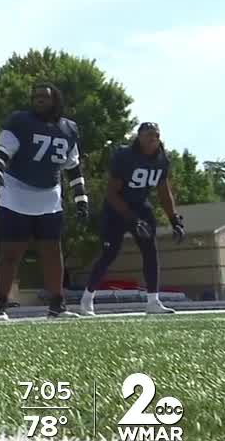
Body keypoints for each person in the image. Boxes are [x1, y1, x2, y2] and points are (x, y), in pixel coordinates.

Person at [0, 83, 88, 320]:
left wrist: (81, 198)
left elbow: (73, 168)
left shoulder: (69, 128)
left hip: (49, 196)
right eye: (36, 96)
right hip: (16, 193)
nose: (39, 100)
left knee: (53, 251)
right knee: (11, 252)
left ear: (56, 99)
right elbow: (3, 152)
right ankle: (0, 304)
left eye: (44, 96)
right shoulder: (20, 121)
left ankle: (57, 304)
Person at [79, 123, 186, 316]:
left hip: (140, 205)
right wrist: (132, 219)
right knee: (109, 253)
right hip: (116, 209)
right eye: (148, 135)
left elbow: (163, 191)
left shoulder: (162, 159)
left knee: (150, 252)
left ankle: (153, 301)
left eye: (156, 135)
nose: (152, 139)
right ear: (139, 137)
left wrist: (174, 219)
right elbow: (111, 193)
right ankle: (87, 299)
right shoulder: (126, 156)